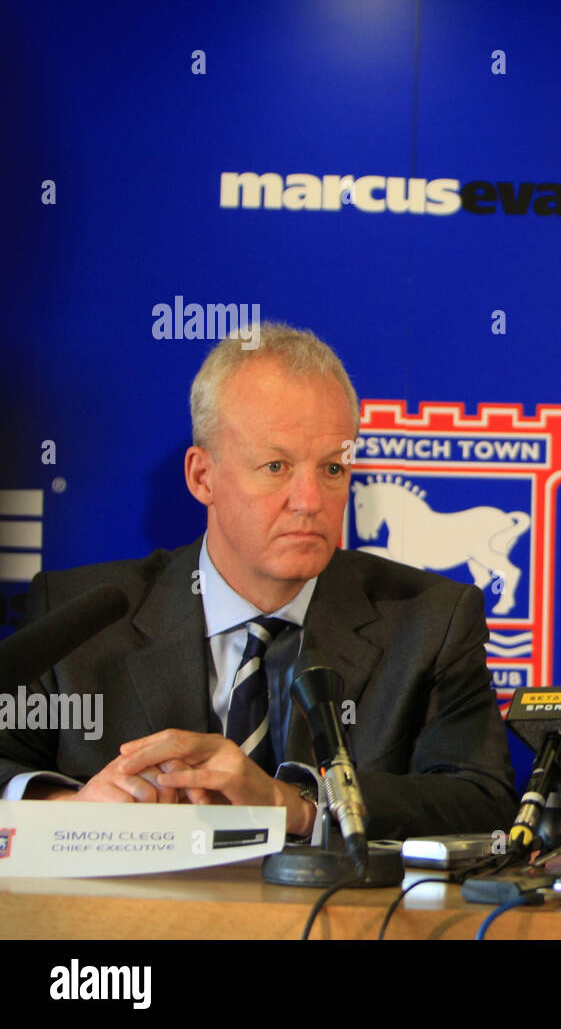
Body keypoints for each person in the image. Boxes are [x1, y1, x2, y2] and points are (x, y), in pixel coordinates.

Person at [0, 324, 516, 841]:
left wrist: (294, 804)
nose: (311, 501)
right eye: (276, 466)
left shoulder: (431, 621)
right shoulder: (79, 616)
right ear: (203, 477)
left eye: (333, 468)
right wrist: (65, 807)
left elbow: (480, 802)